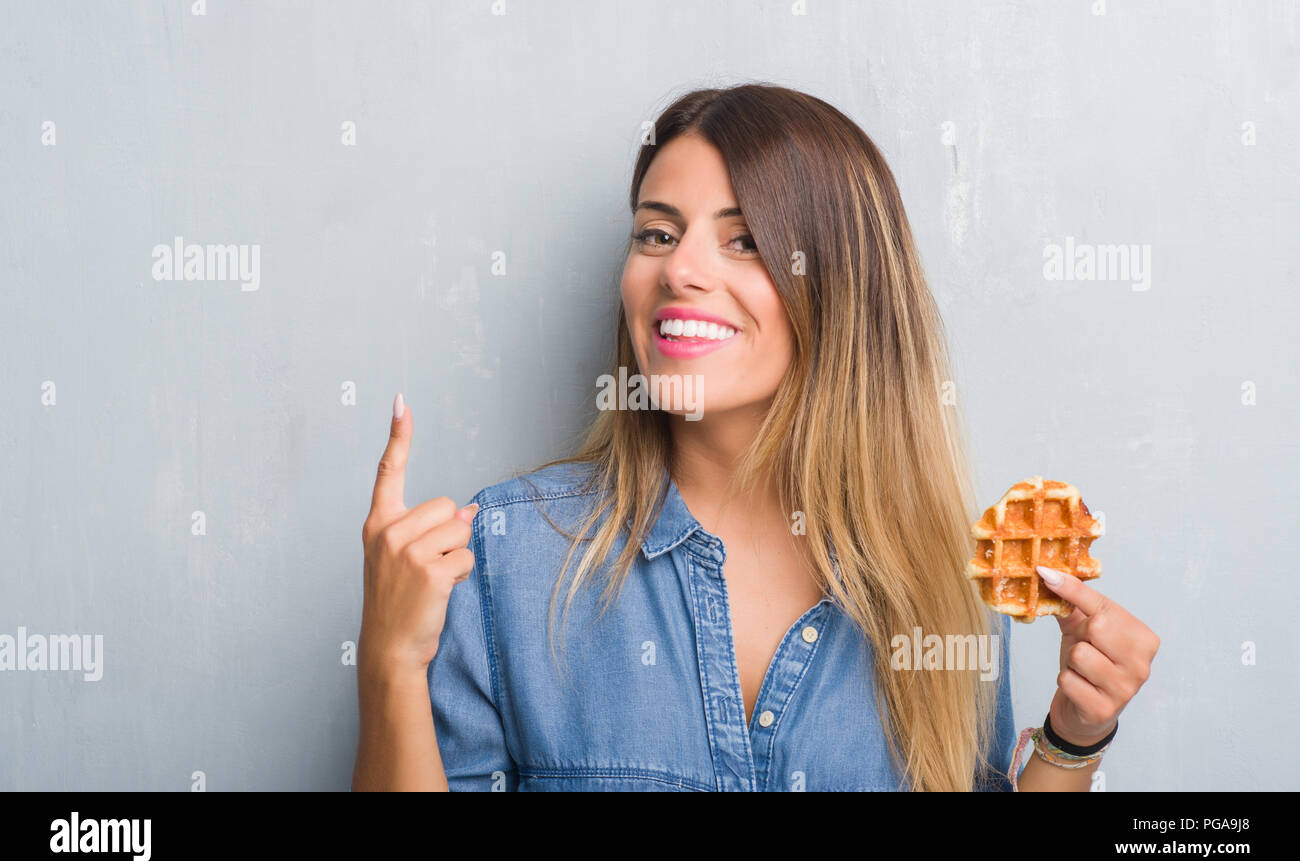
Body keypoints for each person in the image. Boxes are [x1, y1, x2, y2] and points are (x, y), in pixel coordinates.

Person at [351, 83, 1159, 792]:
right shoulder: (500, 558)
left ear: (843, 286)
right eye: (657, 234)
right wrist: (388, 663)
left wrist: (1073, 739)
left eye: (743, 240)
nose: (679, 270)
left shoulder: (944, 590)